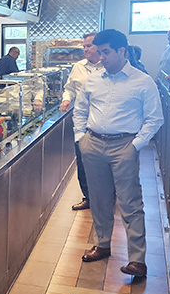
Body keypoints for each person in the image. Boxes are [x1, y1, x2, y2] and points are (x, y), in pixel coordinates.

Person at [73, 28, 163, 278]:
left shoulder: (142, 81)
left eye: (106, 52)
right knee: (100, 200)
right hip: (93, 144)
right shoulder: (93, 80)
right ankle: (102, 245)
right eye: (99, 52)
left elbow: (155, 119)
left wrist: (135, 145)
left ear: (122, 51)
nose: (101, 57)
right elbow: (80, 110)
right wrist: (81, 139)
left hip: (124, 146)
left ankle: (137, 259)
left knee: (130, 202)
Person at [59, 32, 103, 210]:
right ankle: (89, 198)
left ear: (100, 46)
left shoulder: (109, 66)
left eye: (89, 46)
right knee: (83, 160)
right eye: (84, 46)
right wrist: (66, 99)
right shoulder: (78, 67)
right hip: (81, 122)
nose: (85, 49)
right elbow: (69, 88)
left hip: (103, 122)